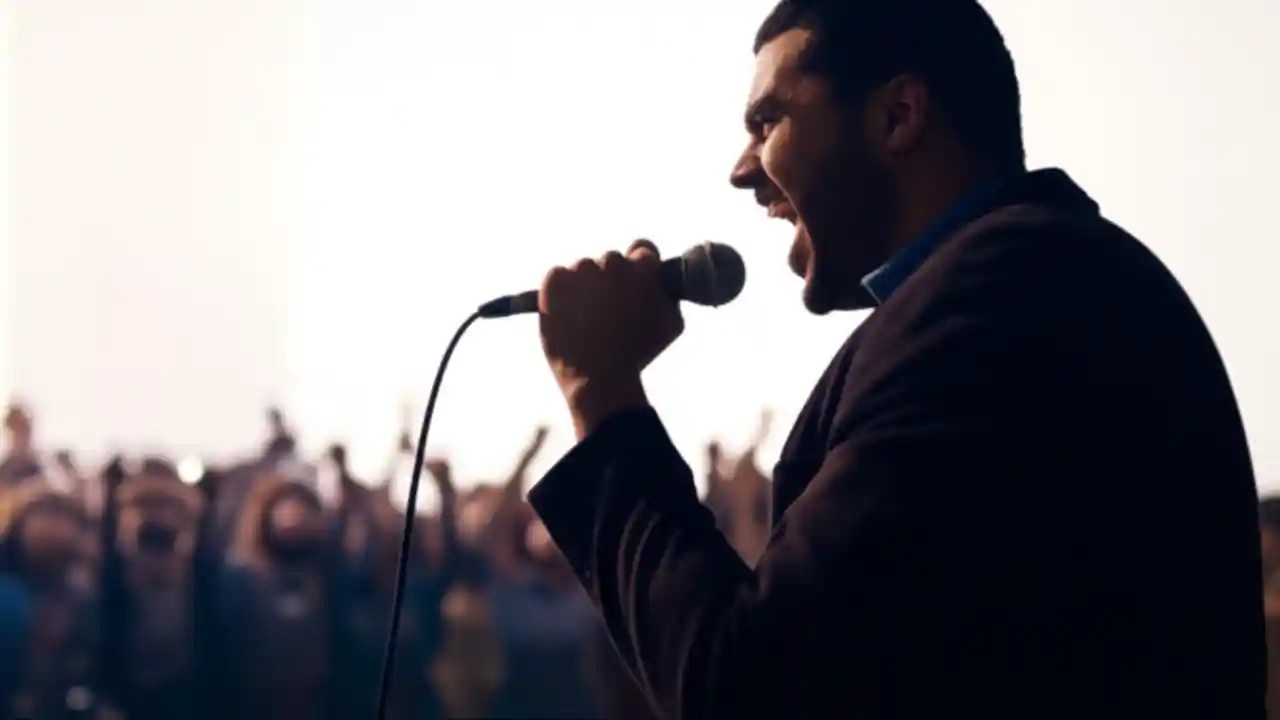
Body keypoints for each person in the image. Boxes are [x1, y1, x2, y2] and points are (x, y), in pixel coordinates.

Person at [524, 1, 1263, 718]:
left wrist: (606, 399)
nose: (742, 171)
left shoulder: (997, 298)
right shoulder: (1032, 282)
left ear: (898, 117)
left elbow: (758, 688)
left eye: (768, 121)